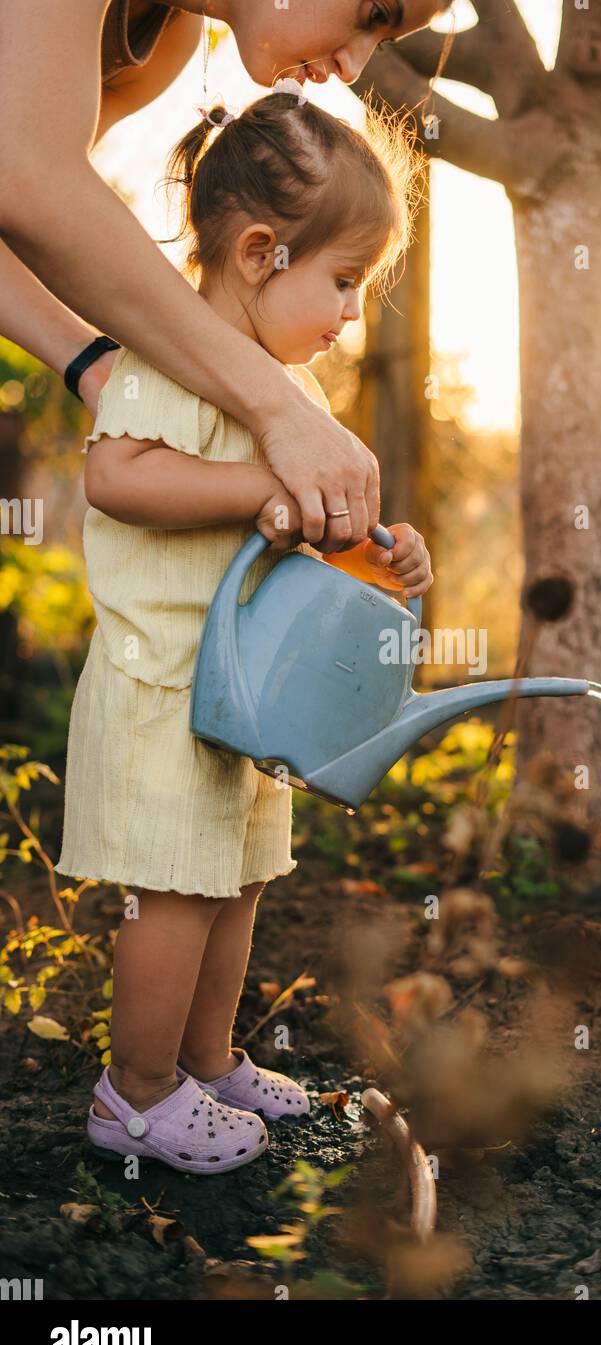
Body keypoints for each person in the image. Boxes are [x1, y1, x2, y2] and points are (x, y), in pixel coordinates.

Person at [55, 80, 434, 1173]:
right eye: (346, 280)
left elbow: (311, 529)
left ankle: (206, 1062)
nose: (353, 312)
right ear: (261, 251)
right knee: (173, 890)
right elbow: (117, 477)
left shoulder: (285, 394)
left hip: (241, 697)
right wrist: (249, 489)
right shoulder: (164, 360)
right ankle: (133, 1095)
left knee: (234, 880)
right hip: (164, 685)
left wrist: (384, 550)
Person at [0, 0, 450, 548]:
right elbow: (25, 175)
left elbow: (22, 199)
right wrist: (280, 411)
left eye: (383, 41)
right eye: (375, 11)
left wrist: (89, 363)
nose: (354, 66)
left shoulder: (165, 38)